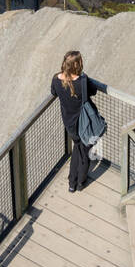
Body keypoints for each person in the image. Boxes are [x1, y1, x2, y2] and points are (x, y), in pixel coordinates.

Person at [50, 50, 106, 194]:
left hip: (69, 124)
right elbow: (93, 91)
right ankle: (80, 182)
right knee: (84, 151)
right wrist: (83, 78)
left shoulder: (56, 79)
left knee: (78, 148)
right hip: (84, 124)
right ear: (77, 64)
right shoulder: (82, 81)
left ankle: (71, 183)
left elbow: (53, 93)